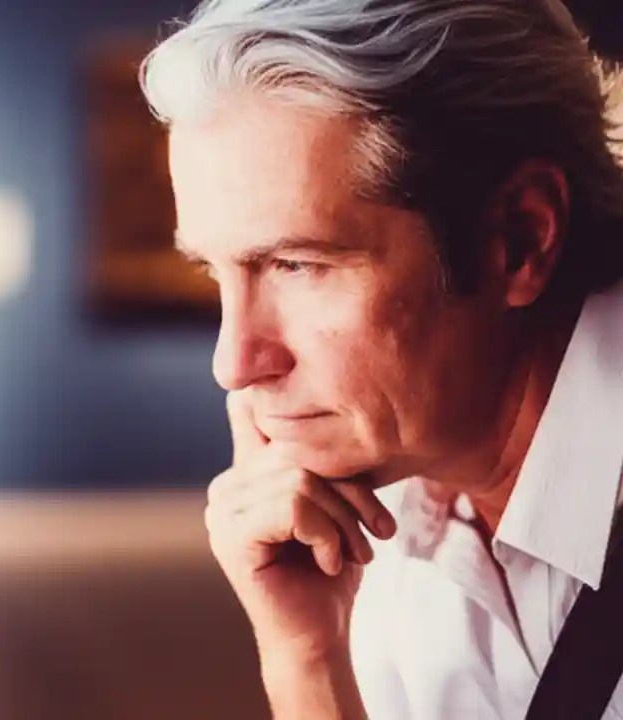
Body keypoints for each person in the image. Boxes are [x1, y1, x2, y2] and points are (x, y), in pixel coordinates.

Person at [140, 0, 623, 717]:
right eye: (216, 273)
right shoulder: (381, 526)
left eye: (297, 265)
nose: (234, 364)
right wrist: (307, 658)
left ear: (519, 239)